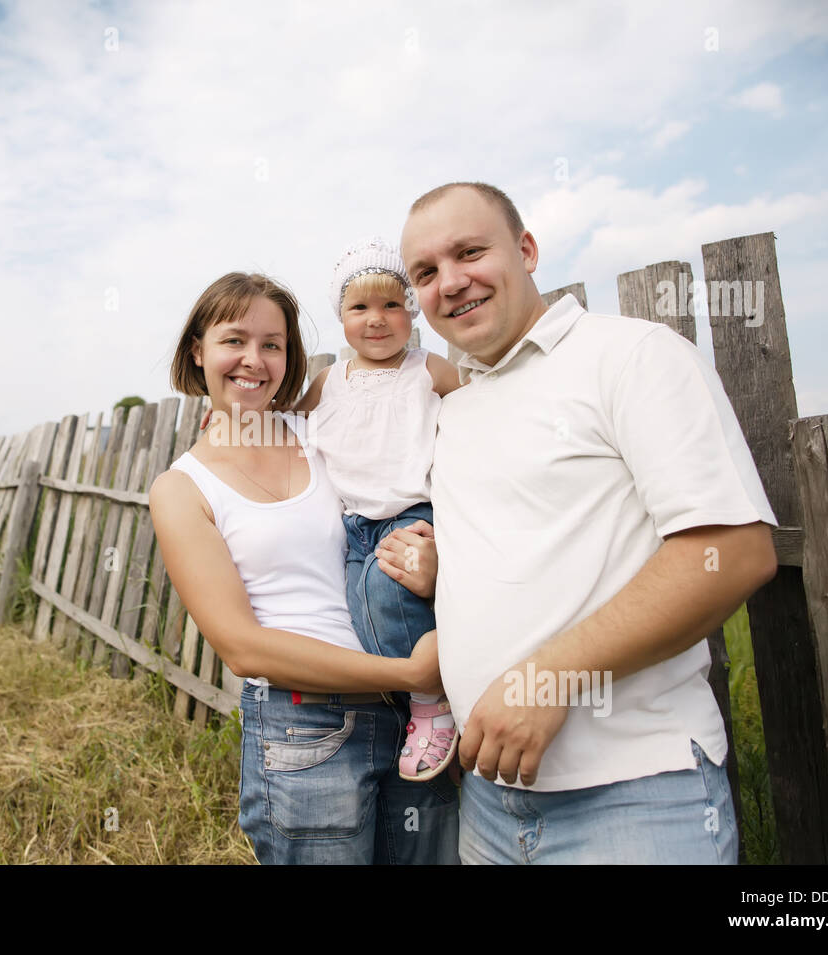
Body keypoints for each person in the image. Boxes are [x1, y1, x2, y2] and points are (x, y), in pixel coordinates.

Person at [386, 181, 779, 864]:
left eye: (469, 252)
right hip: (486, 801)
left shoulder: (631, 356)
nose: (449, 282)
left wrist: (551, 676)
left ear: (527, 249)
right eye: (425, 272)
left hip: (633, 799)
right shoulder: (458, 408)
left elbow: (732, 551)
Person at [149, 271, 460, 864]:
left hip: (417, 718)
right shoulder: (182, 488)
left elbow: (417, 496)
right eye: (234, 340)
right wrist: (409, 673)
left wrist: (434, 560)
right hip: (309, 729)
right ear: (197, 349)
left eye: (273, 344)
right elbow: (244, 648)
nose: (254, 360)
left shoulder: (323, 429)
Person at [292, 236, 463, 780]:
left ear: (411, 311)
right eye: (359, 307)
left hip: (413, 512)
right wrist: (230, 422)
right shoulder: (329, 380)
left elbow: (480, 399)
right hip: (353, 523)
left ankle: (434, 700)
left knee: (394, 596)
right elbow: (288, 423)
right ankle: (406, 707)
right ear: (340, 317)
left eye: (392, 304)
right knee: (361, 609)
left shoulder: (426, 368)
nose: (377, 319)